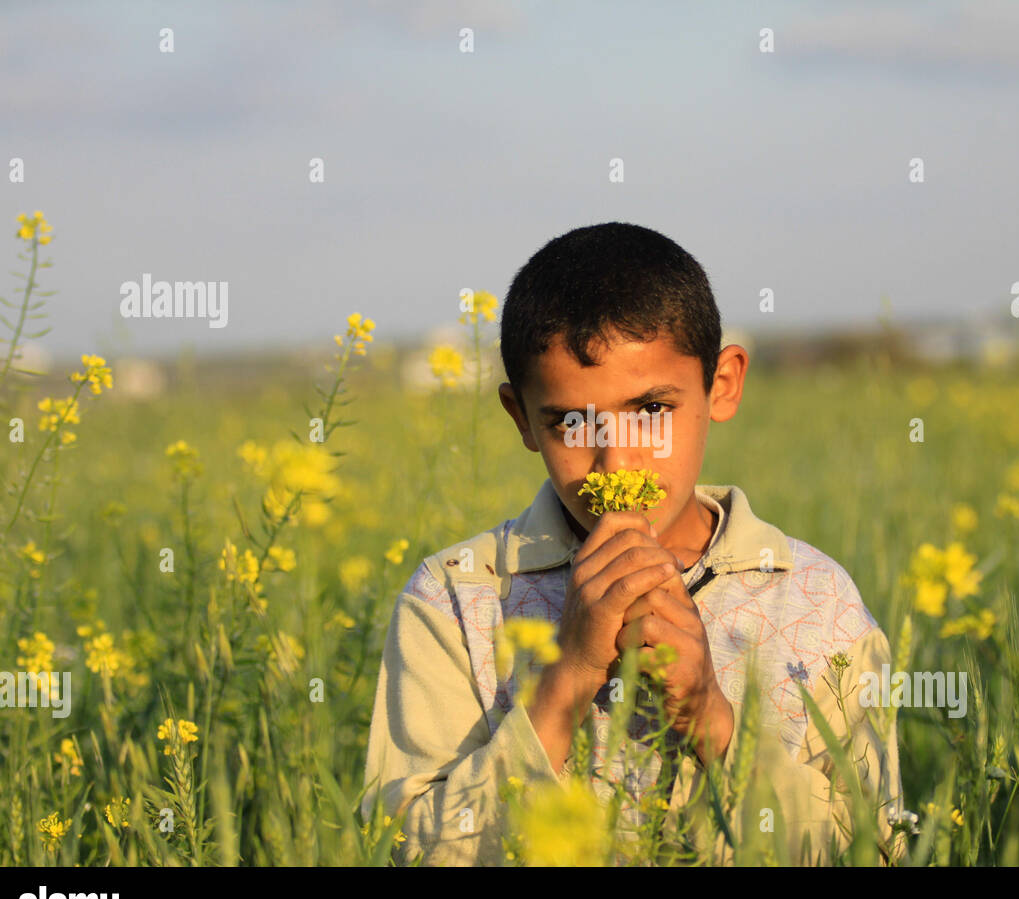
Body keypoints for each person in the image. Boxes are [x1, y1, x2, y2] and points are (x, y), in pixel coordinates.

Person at [362, 222, 905, 865]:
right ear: (521, 419)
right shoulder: (457, 600)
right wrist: (566, 682)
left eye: (650, 410)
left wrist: (712, 716)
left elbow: (875, 849)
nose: (617, 466)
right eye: (570, 422)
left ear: (722, 384)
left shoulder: (816, 601)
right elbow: (400, 851)